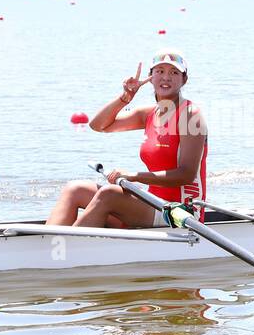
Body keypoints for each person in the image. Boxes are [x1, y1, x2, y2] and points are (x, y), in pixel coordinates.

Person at [48, 50, 208, 228]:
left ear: (184, 80)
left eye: (174, 73)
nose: (166, 77)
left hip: (180, 212)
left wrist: (133, 176)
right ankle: (50, 247)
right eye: (160, 71)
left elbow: (186, 175)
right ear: (150, 78)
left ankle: (67, 251)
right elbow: (98, 125)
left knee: (109, 193)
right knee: (75, 189)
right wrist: (126, 97)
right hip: (153, 201)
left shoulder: (190, 115)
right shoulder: (148, 114)